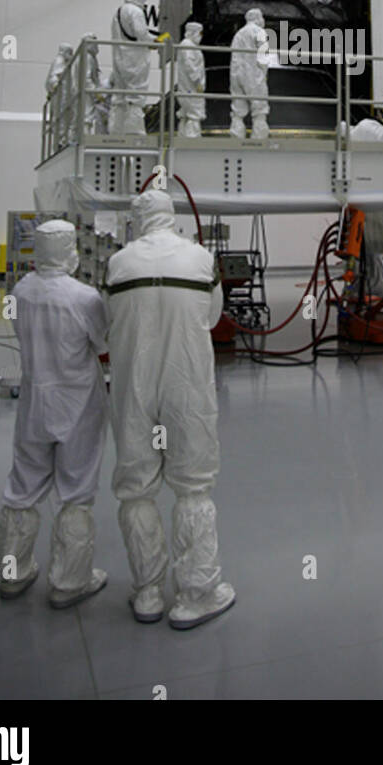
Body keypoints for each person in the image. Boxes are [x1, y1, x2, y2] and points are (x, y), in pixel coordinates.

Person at [104, 189, 235, 628]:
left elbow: (109, 320)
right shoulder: (199, 258)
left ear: (137, 220)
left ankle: (147, 593)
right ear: (171, 216)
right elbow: (213, 318)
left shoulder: (118, 263)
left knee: (137, 486)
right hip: (186, 387)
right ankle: (196, 594)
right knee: (193, 486)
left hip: (135, 390)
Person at [0, 220, 109, 608]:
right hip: (77, 405)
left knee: (22, 487)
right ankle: (70, 582)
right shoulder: (84, 297)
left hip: (33, 403)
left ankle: (12, 574)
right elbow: (103, 341)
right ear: (70, 249)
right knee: (75, 491)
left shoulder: (21, 290)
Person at [109, 0, 151, 135]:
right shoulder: (135, 12)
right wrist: (157, 42)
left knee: (119, 98)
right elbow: (141, 35)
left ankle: (116, 132)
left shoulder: (119, 11)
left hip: (120, 59)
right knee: (135, 98)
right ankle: (134, 134)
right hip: (134, 61)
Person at [229, 7, 271, 140]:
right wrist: (264, 74)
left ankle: (236, 134)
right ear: (258, 18)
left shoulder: (239, 33)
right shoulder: (259, 32)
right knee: (259, 107)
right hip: (253, 72)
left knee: (238, 106)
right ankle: (259, 136)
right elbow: (263, 56)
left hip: (236, 74)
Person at [175, 20, 206, 138]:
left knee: (187, 114)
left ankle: (183, 136)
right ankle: (192, 139)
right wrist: (197, 81)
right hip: (191, 87)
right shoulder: (187, 45)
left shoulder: (189, 45)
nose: (201, 36)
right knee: (194, 113)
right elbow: (190, 65)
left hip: (189, 87)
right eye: (200, 33)